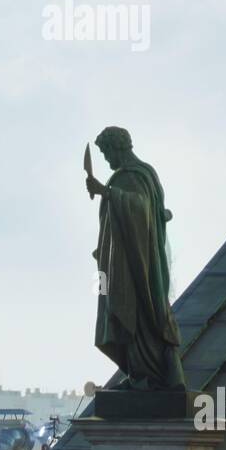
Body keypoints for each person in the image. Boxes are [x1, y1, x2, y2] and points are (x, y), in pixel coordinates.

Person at [85, 126, 185, 391]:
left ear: (117, 148)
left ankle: (148, 375)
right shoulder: (145, 174)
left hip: (136, 265)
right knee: (137, 314)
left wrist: (105, 192)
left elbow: (140, 208)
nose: (107, 161)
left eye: (107, 154)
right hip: (130, 259)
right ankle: (140, 373)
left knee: (139, 311)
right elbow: (154, 212)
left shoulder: (132, 175)